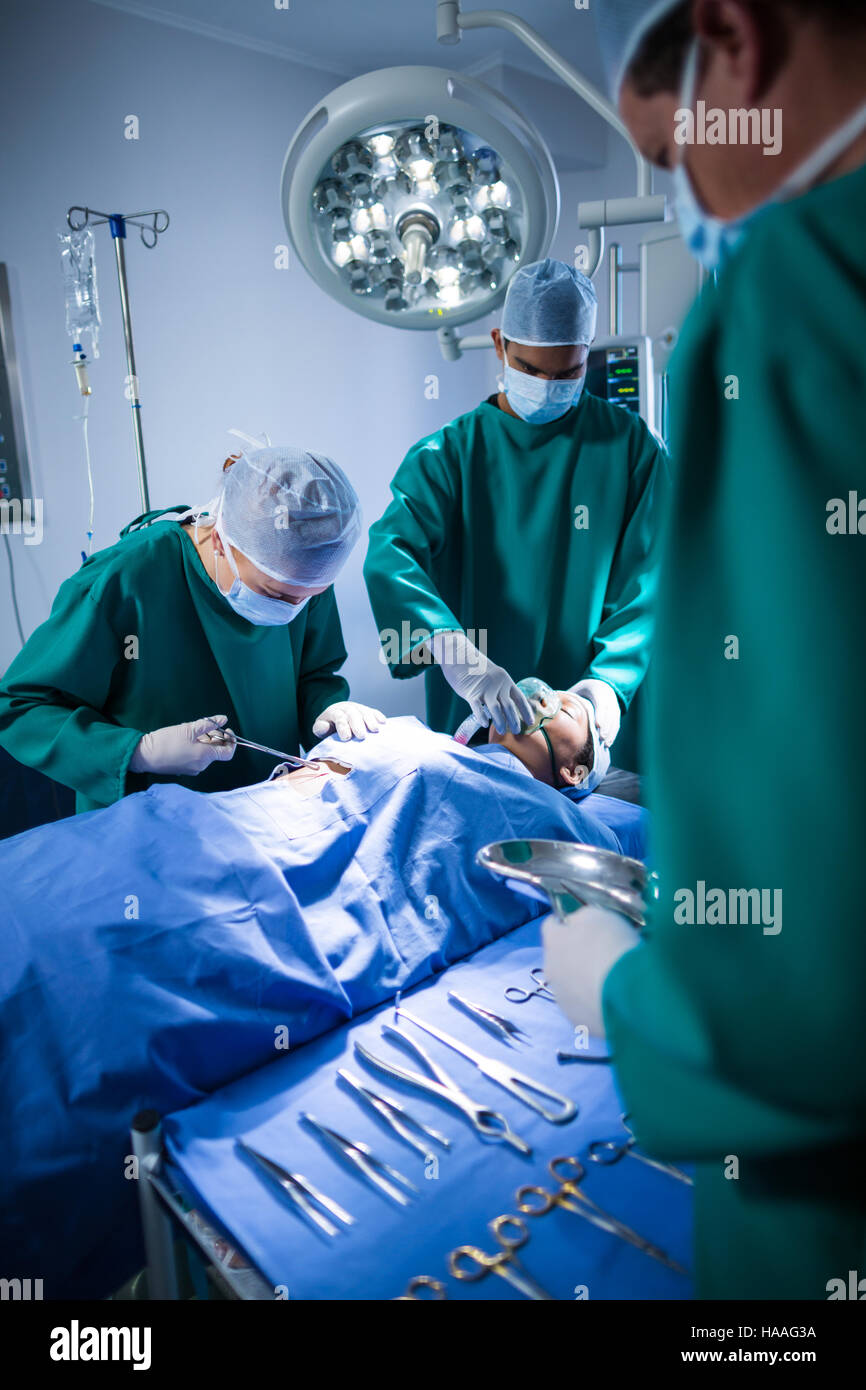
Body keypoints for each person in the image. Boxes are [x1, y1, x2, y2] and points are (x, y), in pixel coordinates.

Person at [543, 0, 866, 1299]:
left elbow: (799, 1007)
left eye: (669, 156)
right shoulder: (446, 467)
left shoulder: (803, 289)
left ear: (729, 34)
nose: (686, 198)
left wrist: (627, 998)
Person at [0, 714, 643, 1296]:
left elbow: (591, 862)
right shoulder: (402, 727)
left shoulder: (523, 802)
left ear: (574, 770)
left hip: (276, 905)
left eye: (565, 711)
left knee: (75, 1000)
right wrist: (340, 726)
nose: (538, 696)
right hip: (182, 838)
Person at [364, 258, 668, 755]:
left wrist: (608, 688)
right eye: (529, 368)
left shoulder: (631, 447)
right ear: (501, 343)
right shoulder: (450, 456)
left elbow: (653, 579)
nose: (548, 386)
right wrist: (449, 646)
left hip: (597, 735)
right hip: (483, 726)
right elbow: (391, 554)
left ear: (586, 354)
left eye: (568, 372)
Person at [0, 443, 384, 813]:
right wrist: (136, 750)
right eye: (274, 593)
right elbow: (22, 708)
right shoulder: (125, 580)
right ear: (220, 539)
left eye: (312, 595)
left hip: (265, 809)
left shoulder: (301, 569)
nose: (294, 608)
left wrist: (328, 708)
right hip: (148, 824)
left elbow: (313, 672)